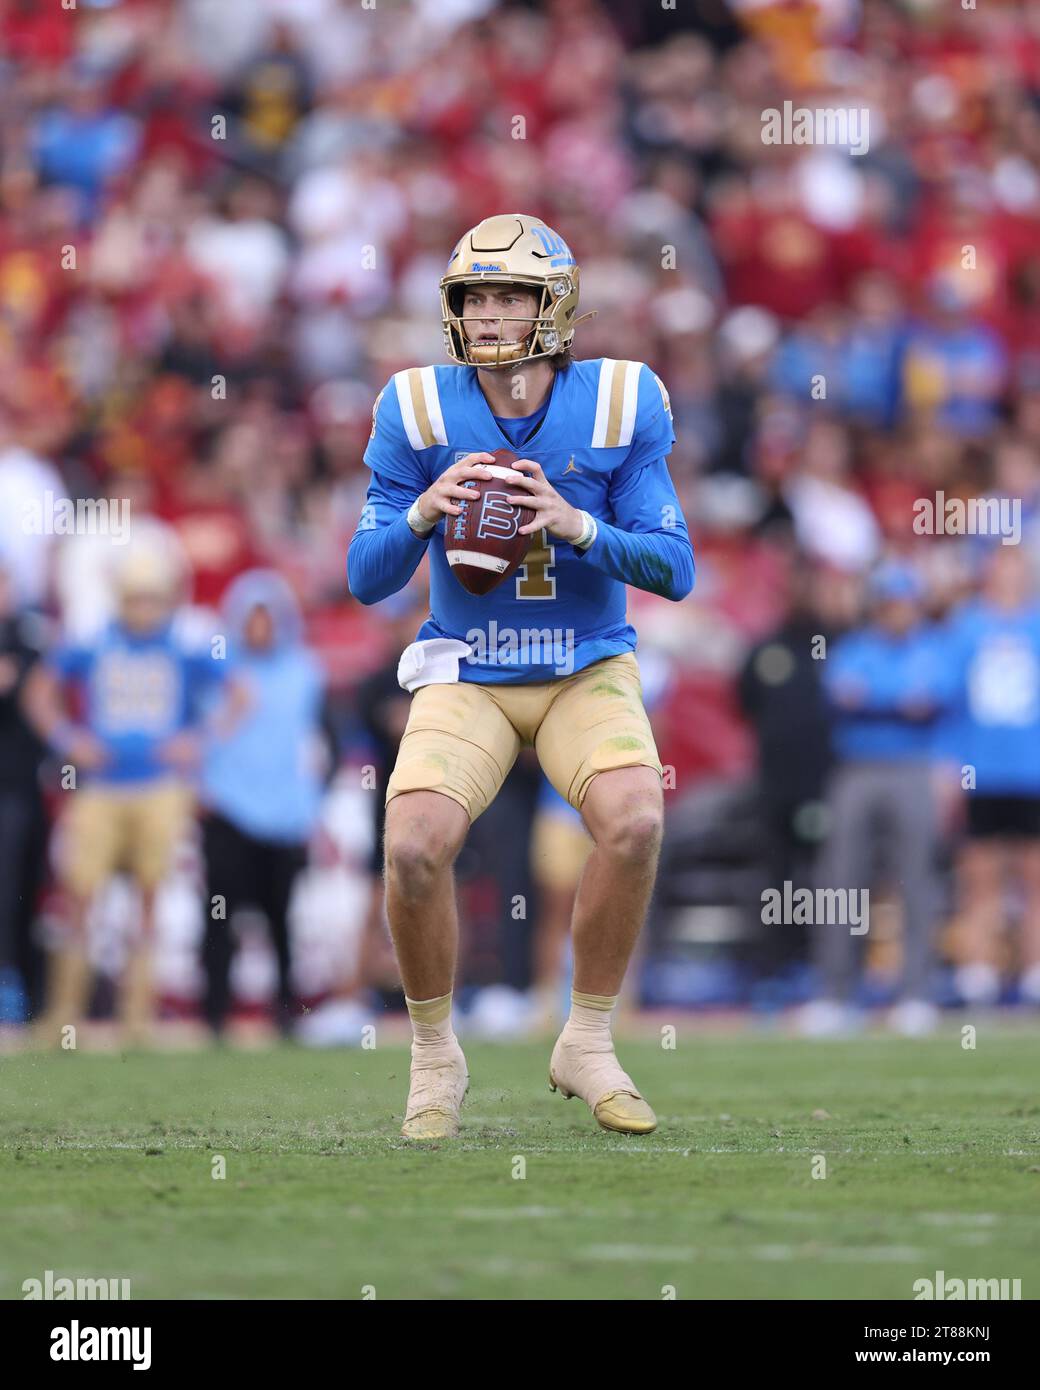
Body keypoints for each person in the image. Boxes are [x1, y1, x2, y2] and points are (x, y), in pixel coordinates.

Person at [348, 213, 694, 1140]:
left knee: (636, 819)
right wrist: (422, 511)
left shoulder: (622, 399)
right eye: (476, 297)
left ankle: (585, 1037)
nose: (492, 315)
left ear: (556, 304)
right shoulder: (416, 406)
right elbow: (364, 576)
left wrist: (578, 524)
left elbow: (677, 566)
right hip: (469, 665)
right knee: (415, 844)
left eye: (510, 296)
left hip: (585, 660)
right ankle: (433, 1055)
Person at [23, 545, 229, 1045]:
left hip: (159, 787)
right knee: (79, 898)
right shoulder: (93, 643)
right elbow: (39, 689)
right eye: (136, 597)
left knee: (148, 900)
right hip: (100, 789)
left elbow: (239, 693)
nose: (144, 608)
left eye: (152, 598)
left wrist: (196, 741)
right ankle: (64, 1015)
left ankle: (137, 1019)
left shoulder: (184, 647)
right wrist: (70, 741)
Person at [801, 563, 952, 1037]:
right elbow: (842, 694)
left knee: (917, 879)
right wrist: (897, 702)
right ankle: (834, 995)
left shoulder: (932, 648)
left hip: (913, 768)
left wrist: (876, 700)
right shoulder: (855, 647)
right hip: (858, 769)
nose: (897, 614)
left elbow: (932, 698)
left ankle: (916, 994)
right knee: (842, 880)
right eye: (889, 605)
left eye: (904, 605)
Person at [198, 570, 332, 1037]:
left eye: (266, 617)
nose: (258, 627)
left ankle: (285, 1014)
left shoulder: (305, 673)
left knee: (281, 918)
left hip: (286, 814)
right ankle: (213, 1014)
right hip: (227, 808)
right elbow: (200, 734)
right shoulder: (217, 669)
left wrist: (312, 808)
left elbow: (317, 744)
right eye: (250, 617)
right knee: (218, 915)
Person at [943, 547, 1040, 1005]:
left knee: (1033, 874)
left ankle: (1033, 970)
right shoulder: (968, 626)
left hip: (1030, 768)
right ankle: (977, 970)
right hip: (981, 769)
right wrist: (947, 762)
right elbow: (950, 701)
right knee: (979, 876)